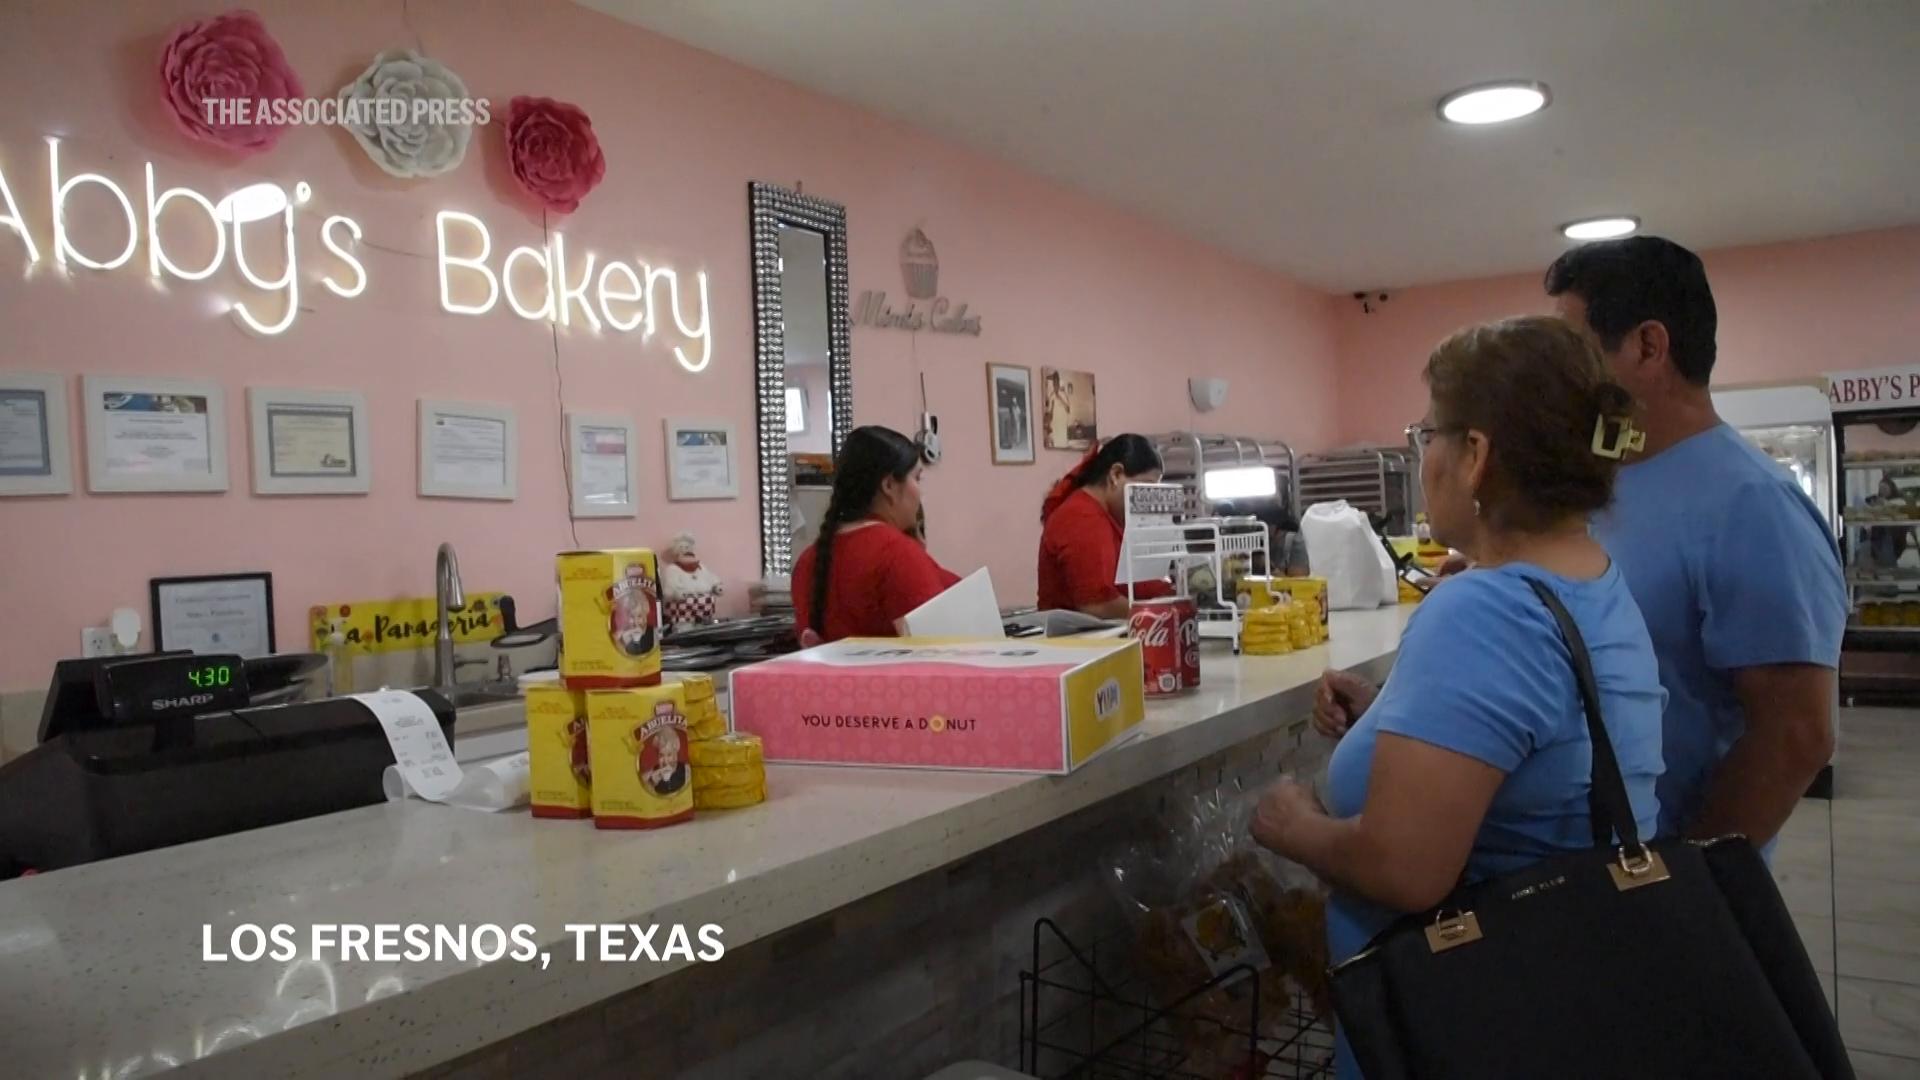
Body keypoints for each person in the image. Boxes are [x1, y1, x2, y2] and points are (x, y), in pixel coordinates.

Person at [1251, 317, 1667, 1080]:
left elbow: (1405, 870)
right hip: (1567, 995)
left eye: (1427, 433)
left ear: (1475, 456)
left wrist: (1292, 826)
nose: (1423, 455)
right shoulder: (1591, 576)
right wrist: (1395, 709)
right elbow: (1538, 734)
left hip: (1464, 1016)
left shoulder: (1484, 612)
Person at [1547, 236, 1846, 847]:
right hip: (1586, 874)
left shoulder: (1751, 505)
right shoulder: (1610, 481)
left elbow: (1796, 735)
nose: (1560, 378)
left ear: (1648, 347)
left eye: (1572, 351)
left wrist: (1689, 875)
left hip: (1665, 878)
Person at [792, 425, 960, 643]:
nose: (921, 492)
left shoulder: (807, 561)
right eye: (917, 478)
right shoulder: (897, 555)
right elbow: (944, 651)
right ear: (889, 485)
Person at [1036, 434, 1175, 617]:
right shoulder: (1081, 517)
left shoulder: (1110, 515)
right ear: (1116, 475)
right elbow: (1098, 604)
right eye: (1145, 487)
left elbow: (1139, 583)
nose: (1147, 500)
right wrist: (1165, 613)